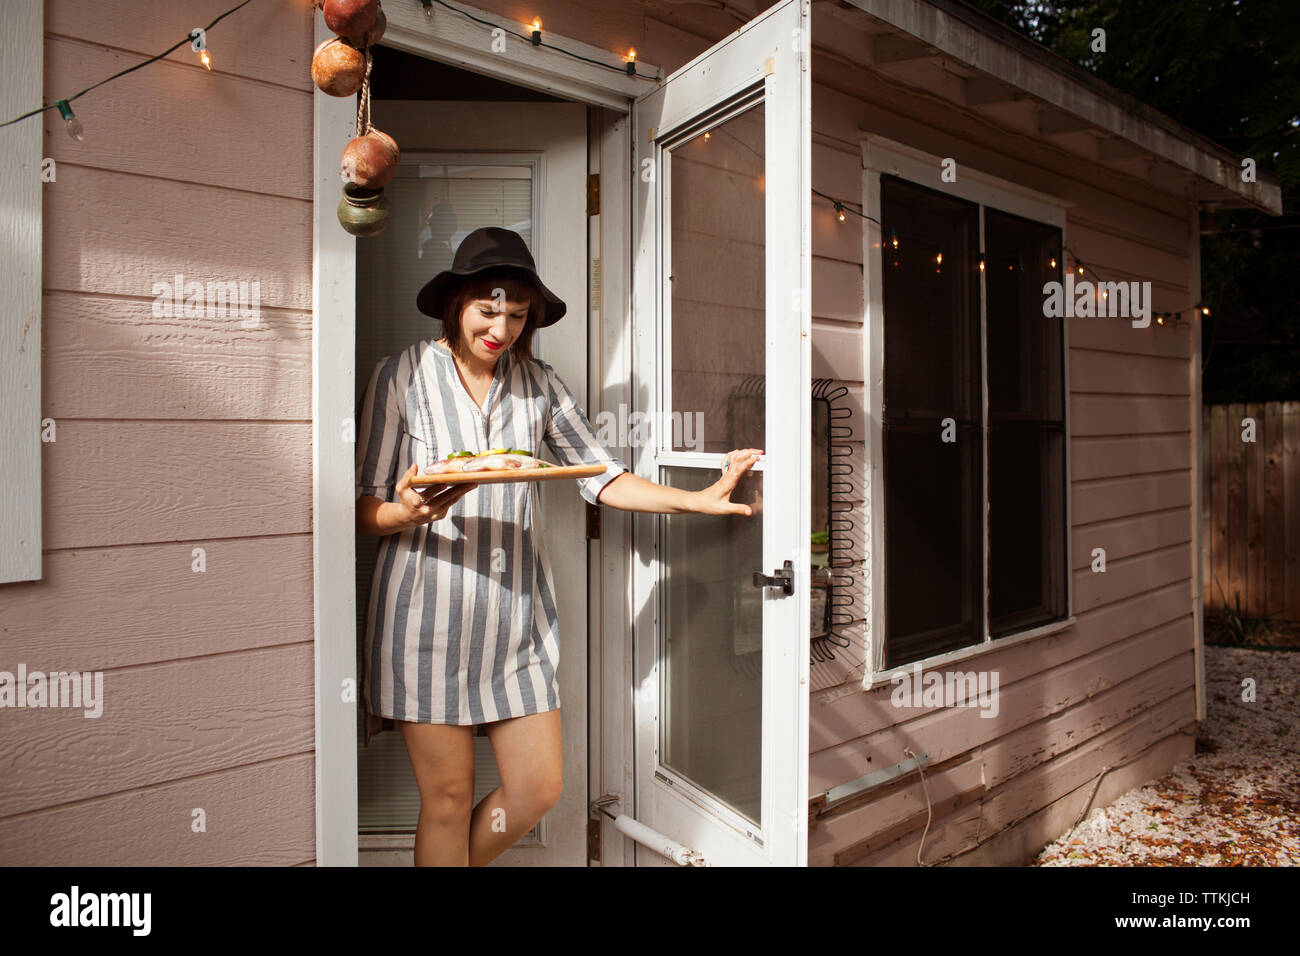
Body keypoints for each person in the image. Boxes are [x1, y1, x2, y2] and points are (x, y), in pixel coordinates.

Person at [355, 226, 761, 866]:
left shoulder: (539, 383)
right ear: (456, 303)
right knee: (448, 799)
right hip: (422, 621)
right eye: (488, 311)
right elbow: (365, 506)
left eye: (517, 316)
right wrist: (402, 511)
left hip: (516, 623)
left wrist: (698, 498)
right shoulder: (400, 376)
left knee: (538, 788)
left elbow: (601, 475)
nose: (502, 328)